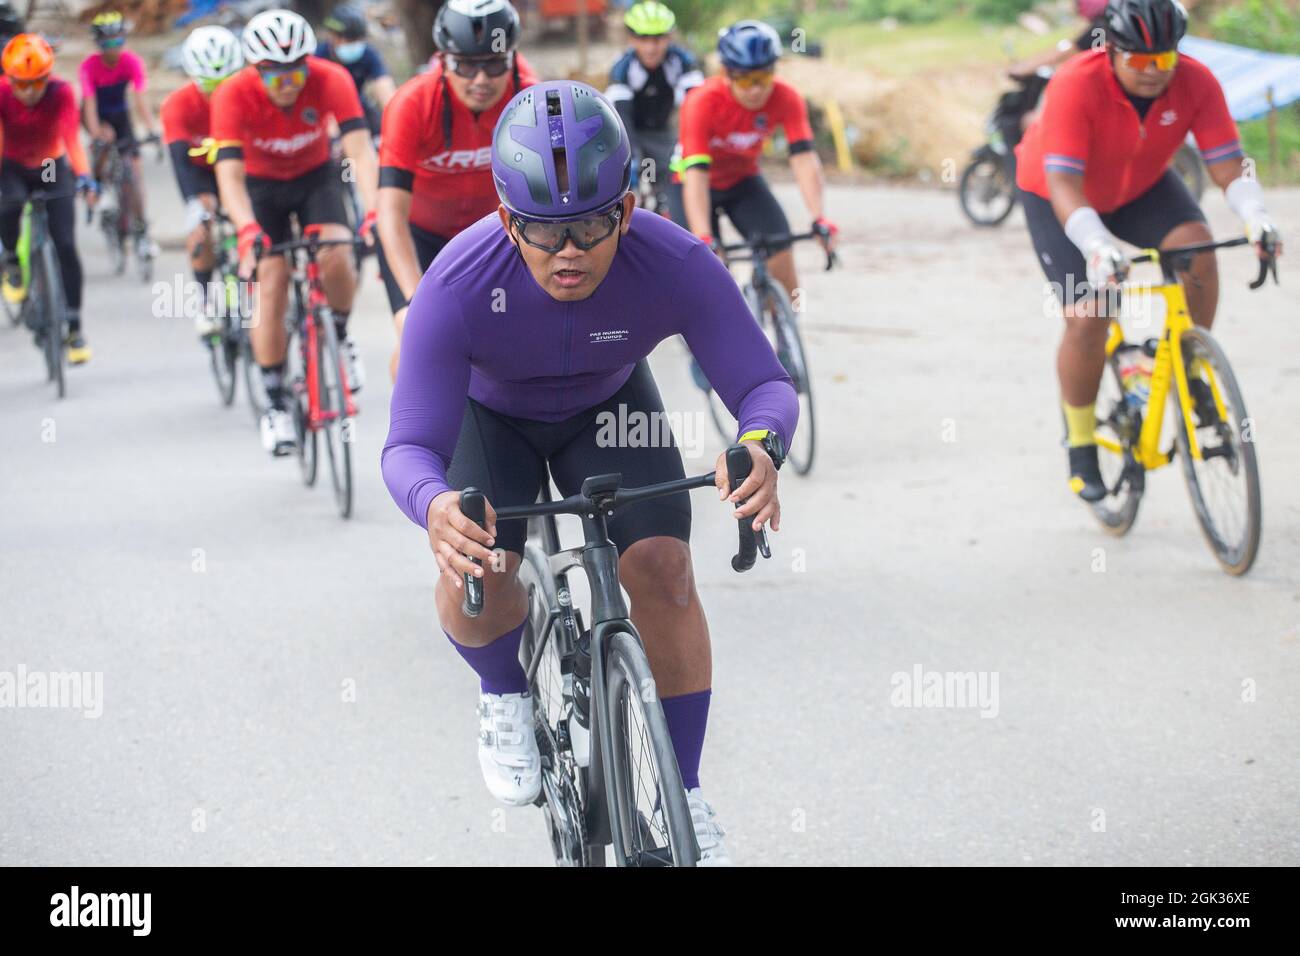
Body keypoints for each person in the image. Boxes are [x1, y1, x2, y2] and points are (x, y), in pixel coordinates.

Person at [382, 80, 798, 865]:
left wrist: (761, 444)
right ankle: (503, 693)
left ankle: (684, 791)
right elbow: (407, 448)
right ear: (507, 219)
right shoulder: (457, 285)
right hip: (491, 417)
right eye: (542, 232)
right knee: (482, 569)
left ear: (628, 211)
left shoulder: (673, 260)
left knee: (667, 570)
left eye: (591, 227)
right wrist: (434, 505)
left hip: (607, 410)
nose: (568, 253)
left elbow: (764, 385)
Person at [1015, 0, 1282, 501]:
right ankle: (1080, 444)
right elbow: (1065, 183)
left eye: (1165, 60)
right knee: (1091, 314)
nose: (1154, 72)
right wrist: (1096, 246)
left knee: (1198, 249)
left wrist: (1256, 215)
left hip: (1138, 187)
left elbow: (1229, 162)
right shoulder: (1076, 82)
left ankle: (1190, 365)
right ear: (1113, 51)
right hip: (1058, 195)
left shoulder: (1197, 81)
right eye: (1140, 61)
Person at [211, 9, 378, 455]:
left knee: (338, 253)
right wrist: (246, 230)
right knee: (272, 280)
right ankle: (275, 401)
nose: (288, 82)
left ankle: (339, 334)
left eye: (296, 70)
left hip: (314, 178)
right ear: (255, 69)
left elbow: (360, 153)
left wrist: (375, 212)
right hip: (260, 189)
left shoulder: (332, 78)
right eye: (275, 74)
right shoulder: (232, 94)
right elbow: (228, 176)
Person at [668, 19, 837, 387]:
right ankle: (705, 349)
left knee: (780, 248)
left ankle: (785, 338)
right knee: (706, 268)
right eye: (745, 79)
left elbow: (805, 159)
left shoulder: (787, 98)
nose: (756, 89)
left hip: (743, 179)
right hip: (693, 184)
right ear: (727, 74)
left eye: (764, 77)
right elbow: (695, 175)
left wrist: (819, 217)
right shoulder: (701, 102)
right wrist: (704, 237)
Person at [375, 0, 535, 379]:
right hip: (418, 235)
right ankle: (411, 433)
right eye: (465, 65)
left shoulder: (530, 100)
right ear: (444, 61)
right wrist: (418, 303)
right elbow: (390, 215)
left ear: (511, 59)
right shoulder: (411, 104)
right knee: (420, 340)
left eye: (494, 65)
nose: (481, 80)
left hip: (493, 236)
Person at [0, 34, 98, 363]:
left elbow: (70, 136)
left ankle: (74, 326)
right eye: (20, 84)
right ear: (9, 79)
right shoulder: (1, 94)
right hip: (10, 164)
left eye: (37, 83)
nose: (28, 92)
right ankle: (12, 261)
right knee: (9, 204)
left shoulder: (61, 92)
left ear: (48, 77)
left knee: (66, 244)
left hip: (47, 165)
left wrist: (85, 176)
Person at [161, 25, 242, 337]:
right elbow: (180, 162)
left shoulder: (248, 95)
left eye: (227, 83)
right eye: (210, 85)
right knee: (201, 221)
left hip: (237, 164)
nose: (219, 92)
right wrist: (197, 207)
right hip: (199, 170)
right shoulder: (177, 104)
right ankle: (206, 302)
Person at [605, 1, 702, 212]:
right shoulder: (623, 67)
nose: (651, 47)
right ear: (631, 38)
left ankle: (666, 208)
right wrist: (632, 155)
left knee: (673, 179)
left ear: (669, 37)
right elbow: (622, 115)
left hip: (662, 131)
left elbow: (696, 104)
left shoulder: (681, 60)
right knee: (635, 174)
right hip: (630, 130)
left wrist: (689, 142)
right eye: (643, 38)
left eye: (658, 38)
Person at [80, 11, 157, 258]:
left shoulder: (131, 62)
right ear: (98, 44)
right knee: (102, 150)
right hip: (97, 117)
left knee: (135, 173)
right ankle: (99, 191)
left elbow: (140, 98)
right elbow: (89, 104)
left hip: (122, 118)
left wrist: (152, 129)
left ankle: (142, 230)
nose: (114, 48)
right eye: (107, 43)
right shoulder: (89, 66)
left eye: (118, 41)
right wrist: (96, 133)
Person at [316, 3, 395, 138]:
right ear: (333, 37)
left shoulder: (368, 54)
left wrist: (396, 117)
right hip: (326, 111)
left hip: (358, 105)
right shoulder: (319, 58)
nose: (354, 44)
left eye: (358, 39)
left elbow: (386, 90)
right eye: (349, 39)